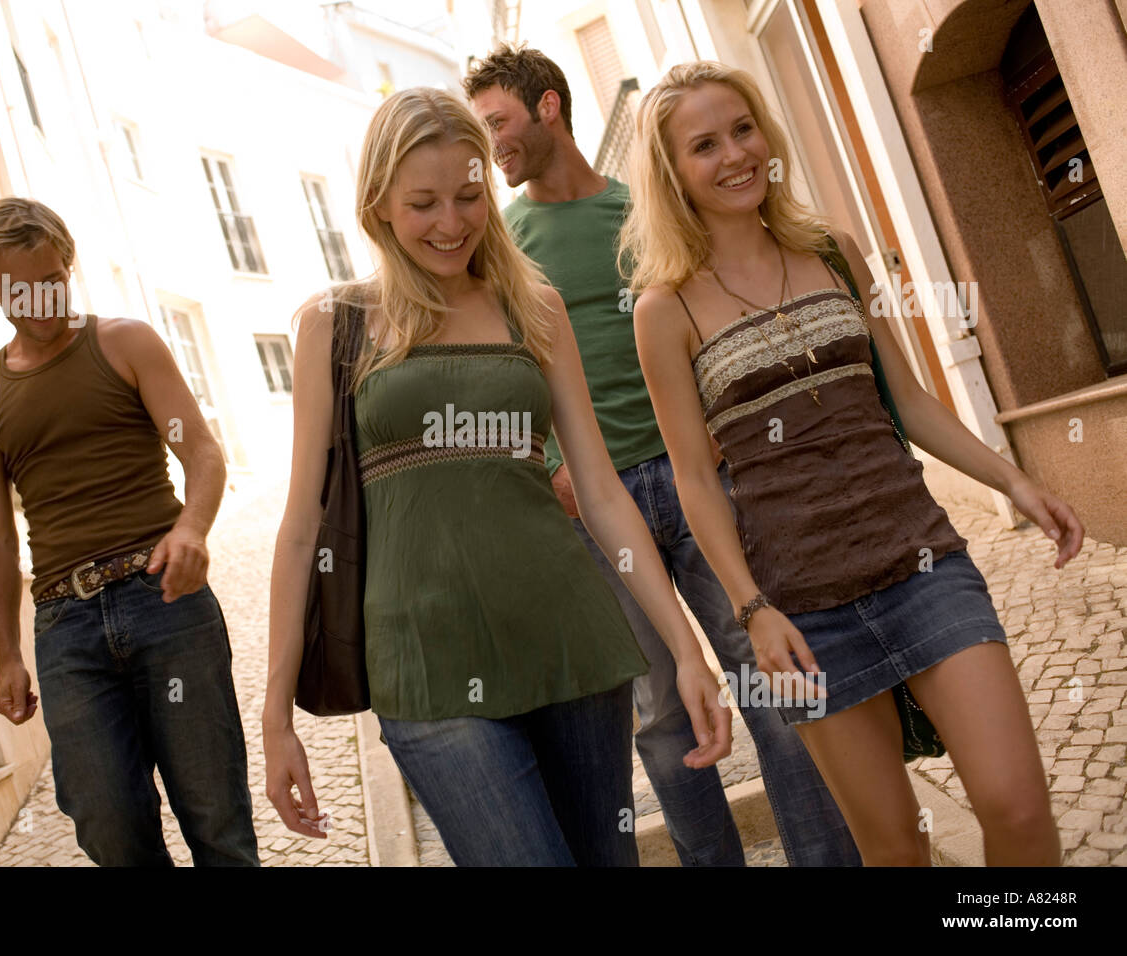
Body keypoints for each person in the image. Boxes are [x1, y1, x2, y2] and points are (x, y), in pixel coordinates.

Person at [622, 61, 1083, 865]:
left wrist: (1013, 479)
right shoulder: (666, 308)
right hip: (801, 606)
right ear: (671, 173)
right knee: (894, 849)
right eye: (704, 145)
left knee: (1016, 806)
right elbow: (695, 480)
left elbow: (908, 399)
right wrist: (751, 608)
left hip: (923, 563)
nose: (734, 154)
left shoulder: (832, 251)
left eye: (742, 129)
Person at [263, 87, 732, 867]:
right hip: (424, 663)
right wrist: (275, 716)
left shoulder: (533, 307)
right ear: (377, 204)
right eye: (422, 203)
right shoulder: (334, 323)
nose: (451, 224)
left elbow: (602, 492)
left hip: (568, 639)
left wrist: (685, 649)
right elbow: (300, 526)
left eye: (468, 196)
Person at [465, 43, 859, 866]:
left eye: (497, 122)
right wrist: (549, 467)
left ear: (547, 109)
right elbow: (499, 370)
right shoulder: (501, 246)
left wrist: (723, 421)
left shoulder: (644, 214)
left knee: (770, 677)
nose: (489, 145)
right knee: (662, 716)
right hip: (595, 505)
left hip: (703, 478)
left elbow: (713, 311)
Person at [0, 198, 258, 866]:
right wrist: (7, 652)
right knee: (108, 827)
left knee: (216, 819)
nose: (44, 299)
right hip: (67, 628)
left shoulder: (125, 343)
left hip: (166, 602)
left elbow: (202, 453)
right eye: (22, 288)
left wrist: (193, 529)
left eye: (55, 279)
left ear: (69, 267)